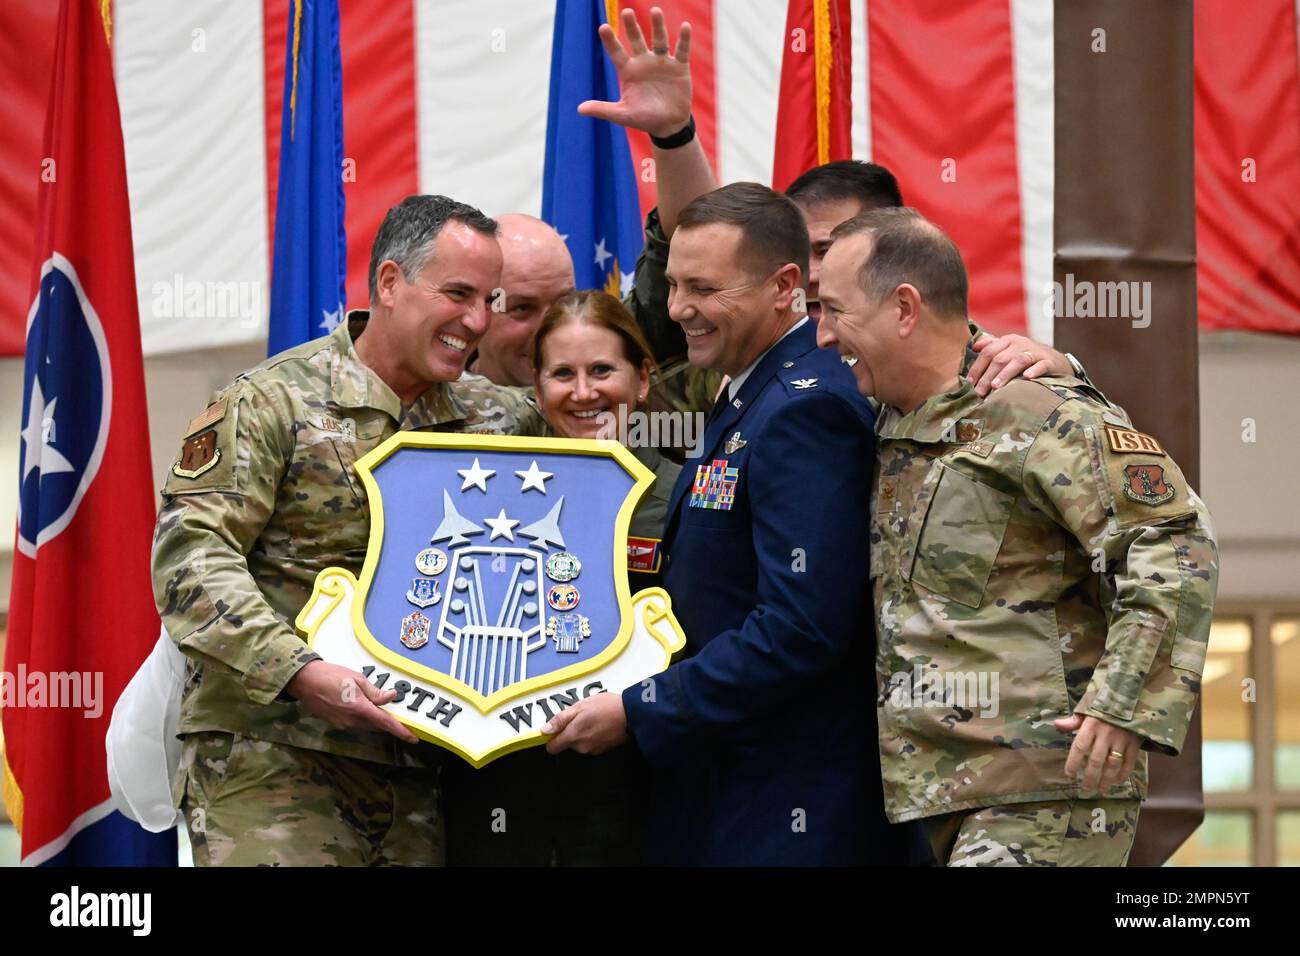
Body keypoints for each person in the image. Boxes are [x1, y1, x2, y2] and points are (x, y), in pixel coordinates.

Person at [814, 207, 1218, 866]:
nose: (823, 335)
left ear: (905, 308)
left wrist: (1120, 704)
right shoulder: (890, 423)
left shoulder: (1039, 413)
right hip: (941, 797)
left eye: (833, 310)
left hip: (1045, 792)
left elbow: (1175, 548)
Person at [152, 195, 545, 866]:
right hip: (272, 751)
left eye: (490, 300)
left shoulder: (504, 421)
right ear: (390, 283)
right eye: (457, 294)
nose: (477, 321)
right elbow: (192, 557)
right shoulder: (274, 400)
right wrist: (300, 671)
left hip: (422, 765)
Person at [542, 182, 926, 865]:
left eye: (704, 289)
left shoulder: (806, 407)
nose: (680, 308)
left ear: (785, 286)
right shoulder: (754, 390)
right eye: (676, 285)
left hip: (787, 805)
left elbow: (801, 627)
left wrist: (639, 708)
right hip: (725, 789)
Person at [581, 8, 1077, 410]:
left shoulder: (993, 373)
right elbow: (694, 262)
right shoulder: (745, 375)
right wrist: (673, 136)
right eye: (802, 253)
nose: (813, 275)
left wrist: (1069, 372)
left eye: (831, 250)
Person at [443, 291, 679, 866]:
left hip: (641, 791)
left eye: (602, 370)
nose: (583, 392)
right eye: (562, 374)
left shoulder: (686, 496)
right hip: (498, 791)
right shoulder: (487, 498)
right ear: (536, 385)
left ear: (643, 378)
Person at [468, 214, 575, 388]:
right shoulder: (426, 408)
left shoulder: (620, 406)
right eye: (523, 308)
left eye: (563, 304)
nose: (548, 329)